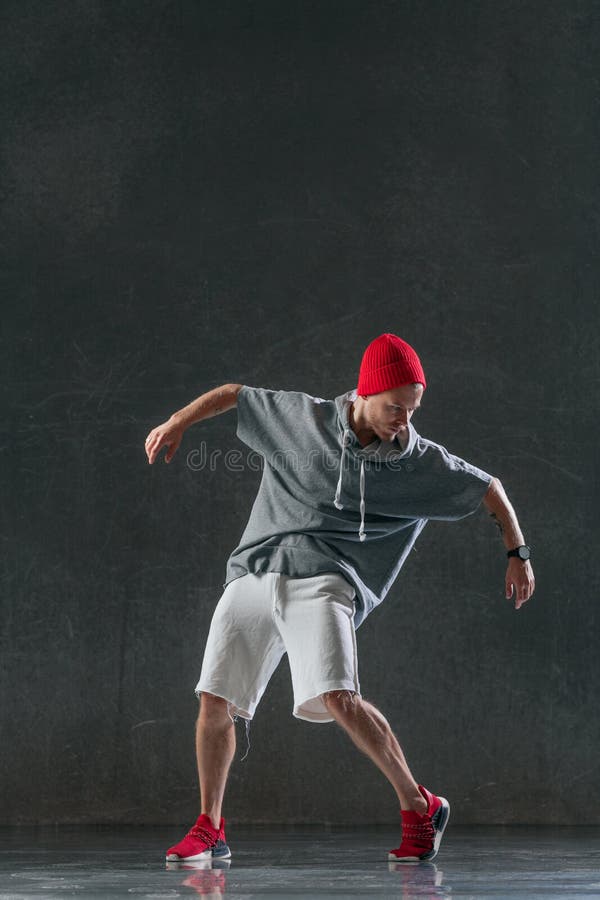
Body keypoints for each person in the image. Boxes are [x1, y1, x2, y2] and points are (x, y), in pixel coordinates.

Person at [144, 333, 535, 865]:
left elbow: (490, 488)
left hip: (325, 579)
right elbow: (234, 393)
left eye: (413, 409)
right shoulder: (301, 420)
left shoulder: (418, 462)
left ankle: (419, 806)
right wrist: (178, 421)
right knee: (214, 699)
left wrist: (518, 553)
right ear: (364, 392)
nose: (404, 419)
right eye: (395, 407)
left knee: (339, 698)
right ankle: (210, 828)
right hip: (256, 569)